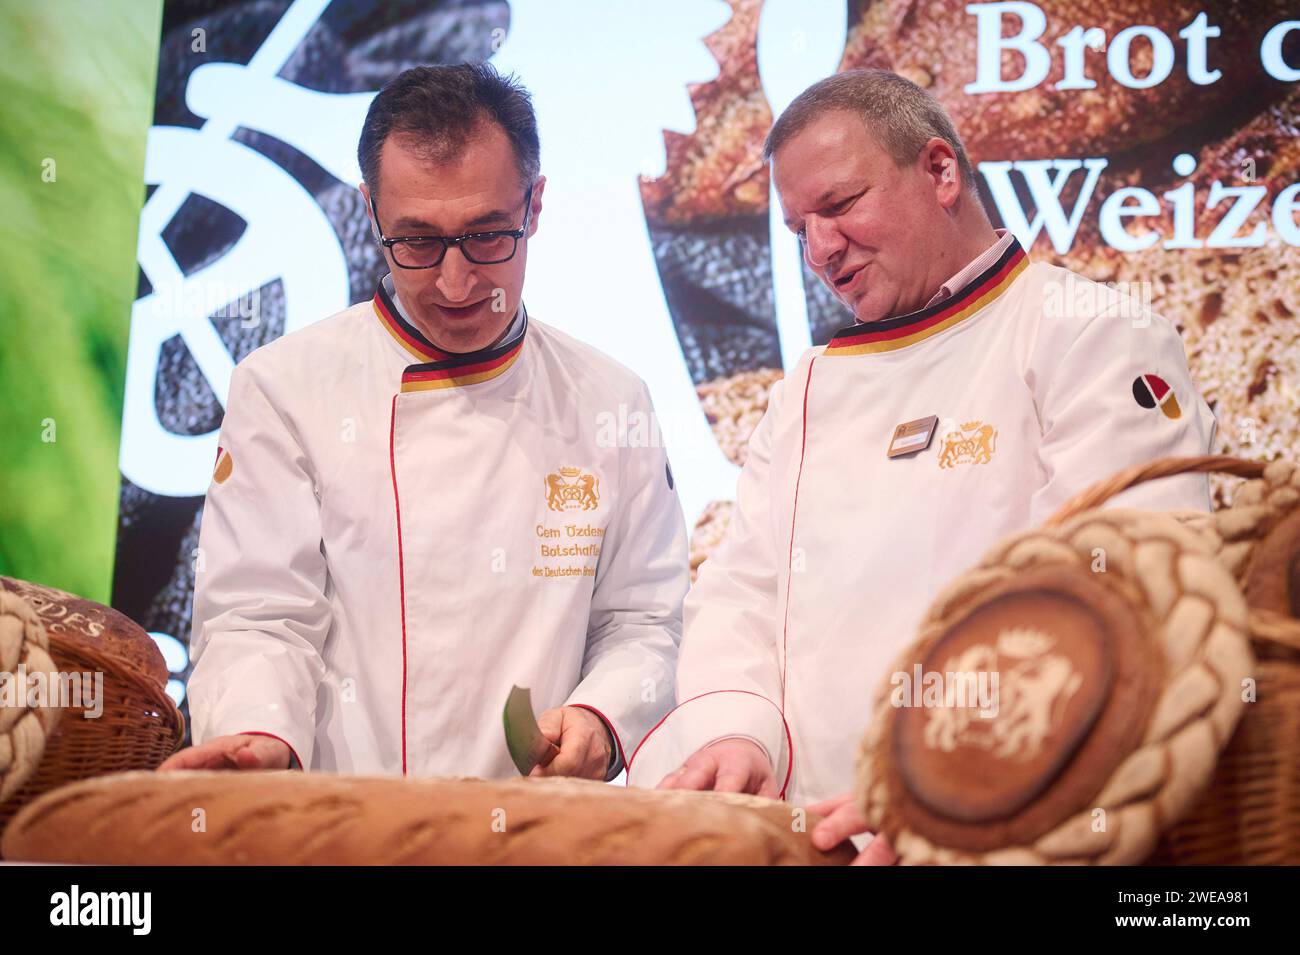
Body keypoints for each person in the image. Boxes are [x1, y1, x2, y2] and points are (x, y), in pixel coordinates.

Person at [629, 69, 1216, 862]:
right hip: (799, 832)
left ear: (941, 170)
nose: (819, 250)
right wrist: (736, 731)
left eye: (838, 207)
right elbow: (742, 592)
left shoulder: (1087, 334)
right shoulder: (805, 388)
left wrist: (955, 789)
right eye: (800, 227)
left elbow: (1122, 599)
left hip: (998, 828)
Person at [160, 64, 688, 781]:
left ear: (534, 205)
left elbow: (645, 621)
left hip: (540, 831)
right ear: (371, 211)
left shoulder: (611, 400)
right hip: (343, 829)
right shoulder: (285, 390)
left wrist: (602, 716)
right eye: (415, 241)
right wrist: (260, 733)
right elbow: (259, 616)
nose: (455, 281)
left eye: (486, 236)